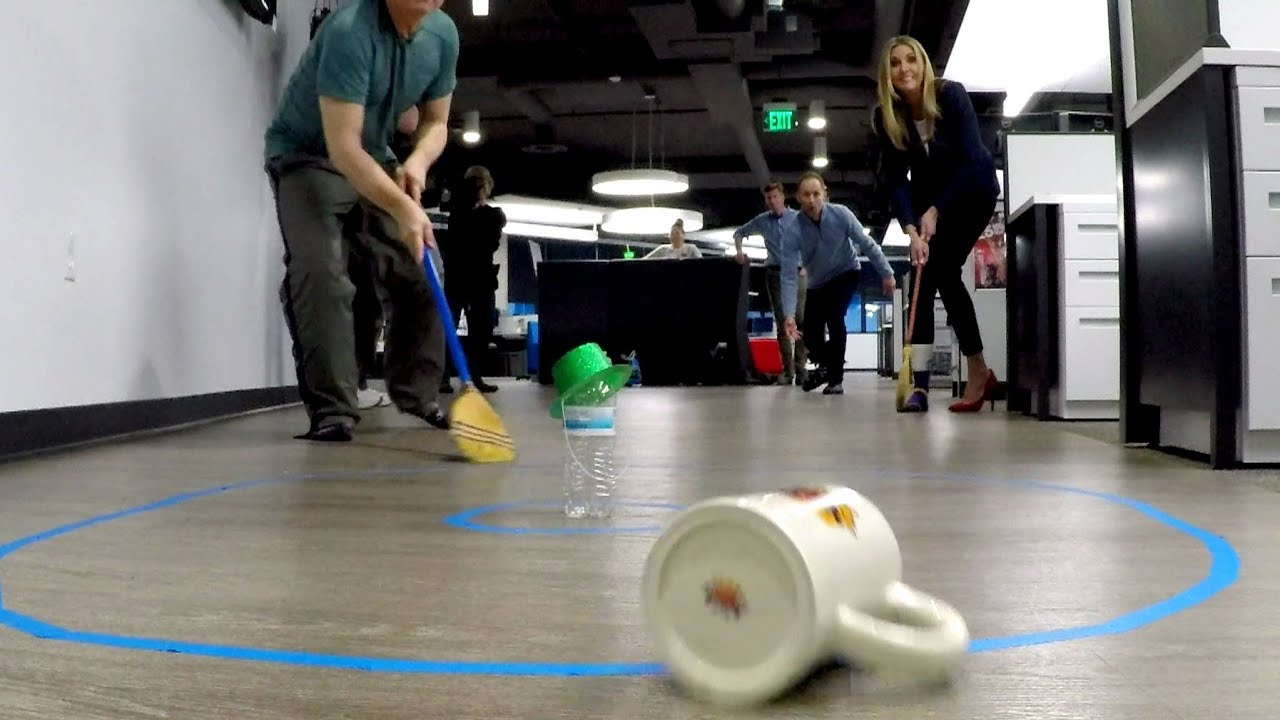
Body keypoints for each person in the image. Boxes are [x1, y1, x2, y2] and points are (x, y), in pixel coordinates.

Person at [262, 0, 458, 441]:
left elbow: (437, 121)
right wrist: (404, 207)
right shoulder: (350, 29)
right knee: (320, 273)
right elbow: (343, 150)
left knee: (423, 264)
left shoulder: (443, 35)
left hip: (375, 155)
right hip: (307, 155)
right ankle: (332, 410)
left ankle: (417, 393)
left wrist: (420, 162)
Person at [872, 35, 1002, 413]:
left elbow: (972, 160)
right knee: (926, 277)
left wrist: (936, 211)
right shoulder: (888, 117)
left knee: (941, 270)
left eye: (910, 59)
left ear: (923, 63)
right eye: (895, 63)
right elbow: (898, 180)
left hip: (972, 192)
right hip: (930, 203)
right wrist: (910, 229)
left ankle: (976, 372)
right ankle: (923, 387)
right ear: (888, 73)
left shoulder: (951, 96)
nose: (904, 69)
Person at [780, 172, 896, 395]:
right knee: (811, 336)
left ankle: (835, 380)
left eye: (816, 194)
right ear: (798, 197)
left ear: (825, 194)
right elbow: (787, 275)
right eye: (806, 195)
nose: (812, 200)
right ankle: (828, 366)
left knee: (835, 317)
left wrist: (887, 273)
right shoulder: (792, 231)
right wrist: (789, 314)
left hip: (846, 272)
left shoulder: (841, 214)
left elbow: (867, 243)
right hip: (816, 281)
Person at [733, 181, 807, 386]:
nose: (773, 201)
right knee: (783, 322)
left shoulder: (798, 218)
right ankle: (788, 371)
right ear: (766, 201)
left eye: (776, 197)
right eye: (769, 198)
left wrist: (808, 264)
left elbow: (812, 239)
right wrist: (739, 252)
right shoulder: (762, 221)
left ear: (783, 197)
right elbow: (738, 233)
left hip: (797, 273)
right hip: (774, 274)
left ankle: (801, 370)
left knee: (801, 319)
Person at [439, 166, 505, 394]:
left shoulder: (486, 215)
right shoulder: (460, 212)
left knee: (479, 329)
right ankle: (449, 377)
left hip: (476, 278)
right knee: (453, 327)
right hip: (465, 277)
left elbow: (491, 241)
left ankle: (469, 376)